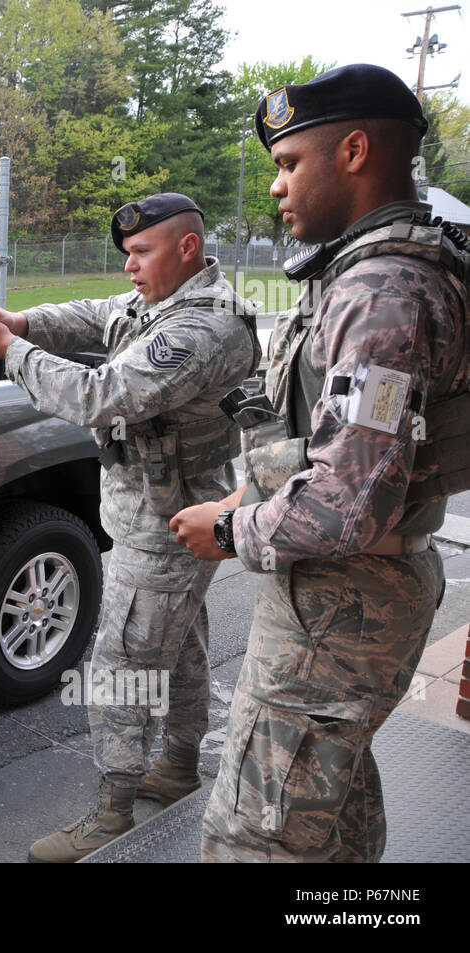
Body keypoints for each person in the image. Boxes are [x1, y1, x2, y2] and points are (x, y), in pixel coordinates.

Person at [170, 64, 469, 862]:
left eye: (288, 163)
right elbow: (335, 447)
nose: (276, 187)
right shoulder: (374, 272)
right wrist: (254, 489)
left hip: (338, 607)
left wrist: (232, 529)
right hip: (348, 597)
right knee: (331, 821)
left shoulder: (384, 293)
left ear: (356, 151)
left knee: (253, 839)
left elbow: (349, 502)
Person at [0, 193, 261, 862]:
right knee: (179, 644)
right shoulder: (164, 302)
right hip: (170, 515)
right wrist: (25, 320)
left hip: (165, 523)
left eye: (141, 252)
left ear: (187, 249)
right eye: (125, 253)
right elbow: (99, 315)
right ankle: (179, 766)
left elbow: (105, 396)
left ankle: (111, 812)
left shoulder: (203, 328)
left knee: (121, 664)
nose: (128, 266)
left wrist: (8, 349)